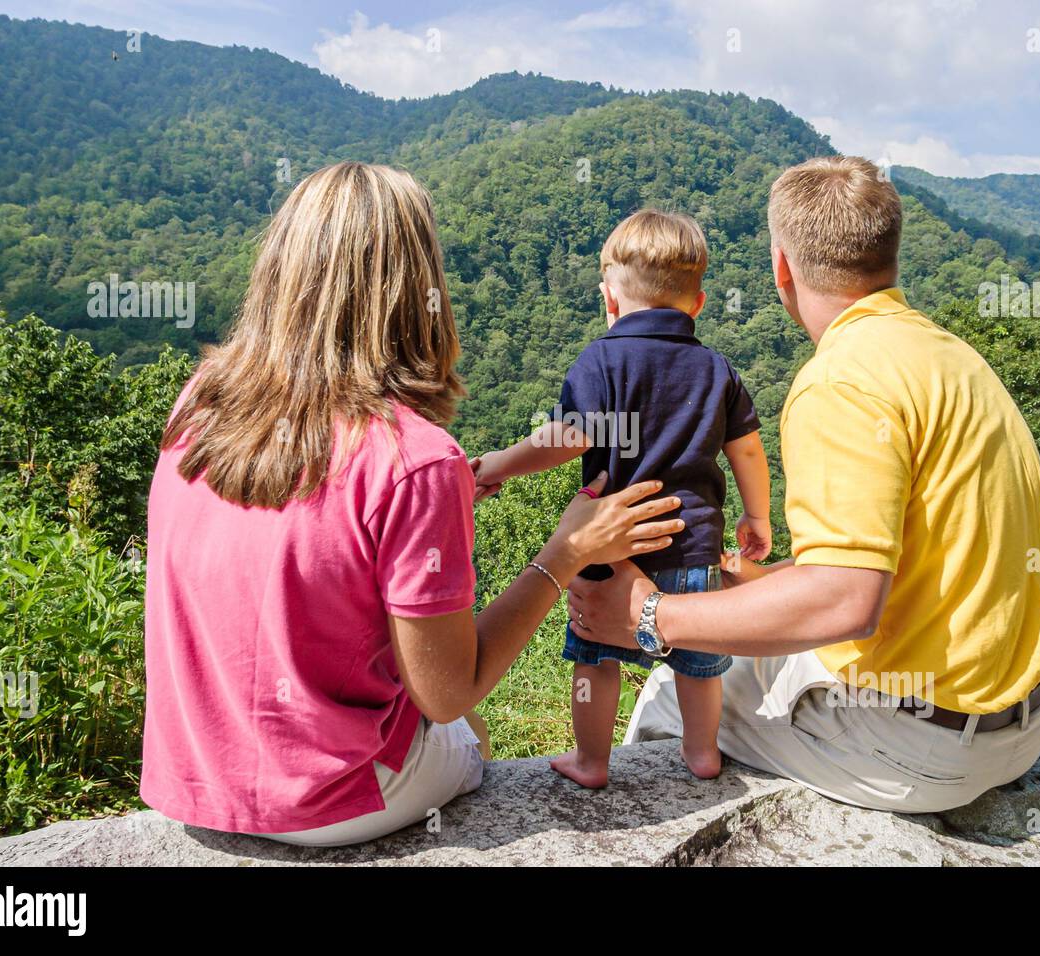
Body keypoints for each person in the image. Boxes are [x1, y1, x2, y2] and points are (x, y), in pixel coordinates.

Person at [140, 162, 683, 847]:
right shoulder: (414, 458)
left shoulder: (202, 400)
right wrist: (567, 552)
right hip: (333, 802)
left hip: (189, 787)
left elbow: (312, 531)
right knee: (466, 727)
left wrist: (435, 505)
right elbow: (449, 691)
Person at [568, 157, 1040, 814]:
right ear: (889, 255)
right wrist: (766, 581)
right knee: (727, 654)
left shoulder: (841, 382)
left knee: (671, 687)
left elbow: (846, 601)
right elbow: (888, 565)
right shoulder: (951, 356)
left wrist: (647, 617)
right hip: (1017, 721)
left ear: (781, 269)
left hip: (920, 745)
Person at [473, 209, 770, 786]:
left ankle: (591, 761)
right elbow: (749, 452)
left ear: (608, 298)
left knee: (595, 656)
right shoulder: (717, 369)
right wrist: (755, 515)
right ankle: (702, 754)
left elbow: (567, 437)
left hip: (612, 549)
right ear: (698, 303)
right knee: (699, 660)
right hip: (692, 550)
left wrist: (500, 466)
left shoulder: (601, 362)